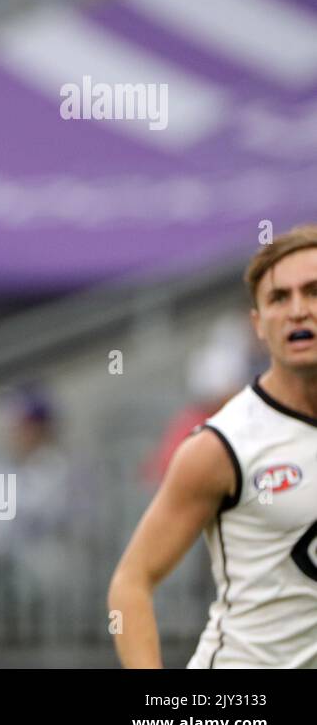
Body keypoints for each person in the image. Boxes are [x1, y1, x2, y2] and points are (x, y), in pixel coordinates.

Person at [109, 225, 317, 668]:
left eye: (314, 291)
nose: (298, 310)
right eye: (279, 298)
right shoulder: (222, 446)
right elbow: (131, 582)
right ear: (259, 324)